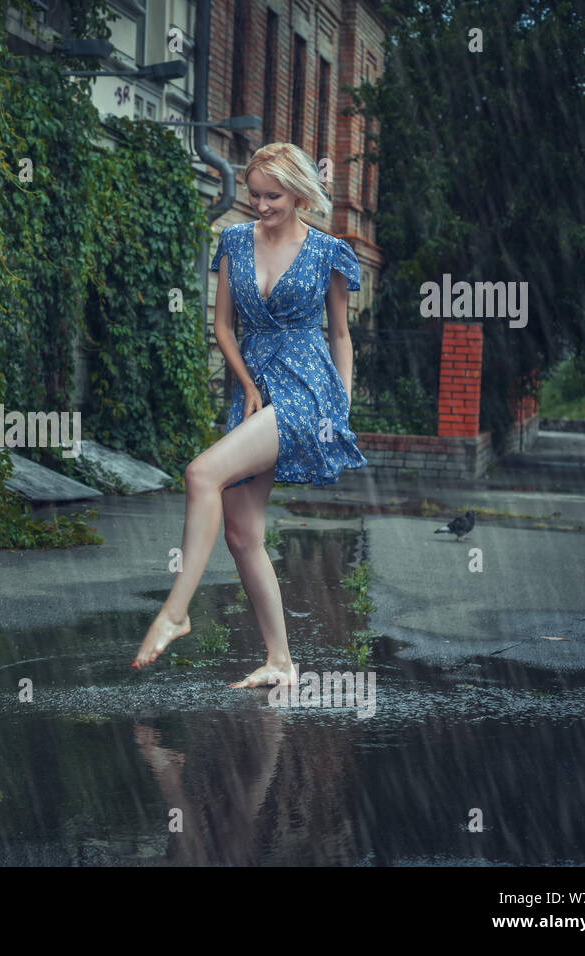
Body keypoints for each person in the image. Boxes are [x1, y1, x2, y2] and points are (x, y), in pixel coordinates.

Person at [131, 142, 367, 688]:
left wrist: (342, 408)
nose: (260, 206)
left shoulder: (327, 251)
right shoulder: (234, 241)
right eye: (254, 195)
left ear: (300, 194)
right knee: (241, 534)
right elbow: (222, 327)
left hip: (308, 392)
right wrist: (244, 383)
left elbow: (340, 335)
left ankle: (176, 612)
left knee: (200, 473)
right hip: (255, 392)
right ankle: (281, 661)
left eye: (272, 196)